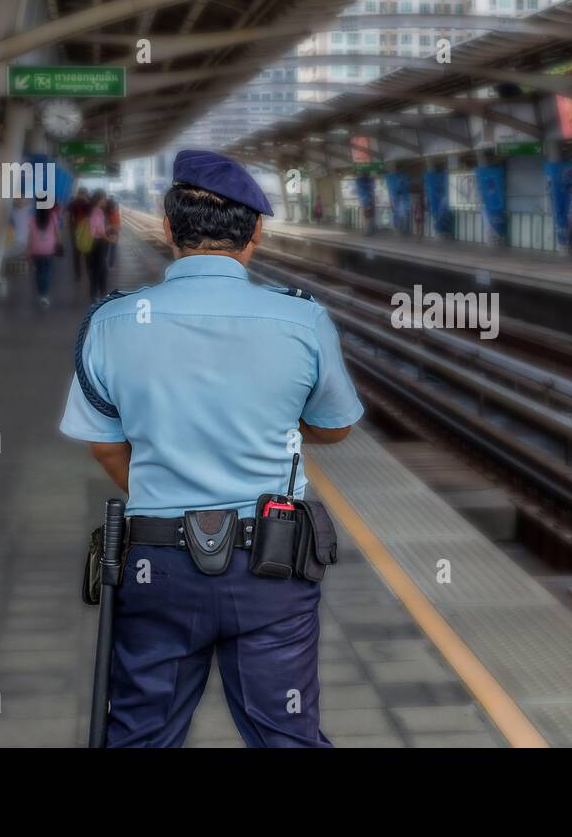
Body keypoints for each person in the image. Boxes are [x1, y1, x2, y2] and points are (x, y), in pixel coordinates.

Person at [60, 149, 363, 747]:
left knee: (141, 733)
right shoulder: (303, 321)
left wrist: (165, 494)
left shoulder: (113, 322)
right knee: (287, 735)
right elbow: (335, 427)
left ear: (170, 230)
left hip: (155, 568)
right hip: (274, 568)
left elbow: (104, 443)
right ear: (255, 235)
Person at [27, 203, 61, 307]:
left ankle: (41, 293)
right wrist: (58, 243)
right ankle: (45, 295)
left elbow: (31, 235)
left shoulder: (33, 218)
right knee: (47, 271)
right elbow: (57, 232)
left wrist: (28, 249)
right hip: (49, 248)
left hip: (36, 249)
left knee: (39, 271)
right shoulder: (52, 216)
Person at [84, 189, 113, 301]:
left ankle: (96, 294)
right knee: (100, 270)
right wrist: (109, 239)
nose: (105, 201)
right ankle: (100, 294)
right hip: (99, 244)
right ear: (99, 200)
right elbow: (100, 231)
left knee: (96, 269)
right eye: (104, 199)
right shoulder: (98, 211)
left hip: (93, 244)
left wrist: (107, 228)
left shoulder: (91, 210)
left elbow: (95, 227)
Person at [67, 188, 91, 282]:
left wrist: (69, 228)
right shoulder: (88, 203)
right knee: (87, 251)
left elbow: (68, 217)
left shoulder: (72, 203)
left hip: (75, 230)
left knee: (76, 253)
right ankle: (88, 272)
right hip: (85, 231)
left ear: (78, 193)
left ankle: (78, 274)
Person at [105, 194, 122, 267]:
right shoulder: (115, 213)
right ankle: (110, 263)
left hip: (106, 232)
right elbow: (117, 224)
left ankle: (106, 261)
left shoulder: (104, 213)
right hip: (114, 232)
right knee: (113, 248)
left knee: (107, 247)